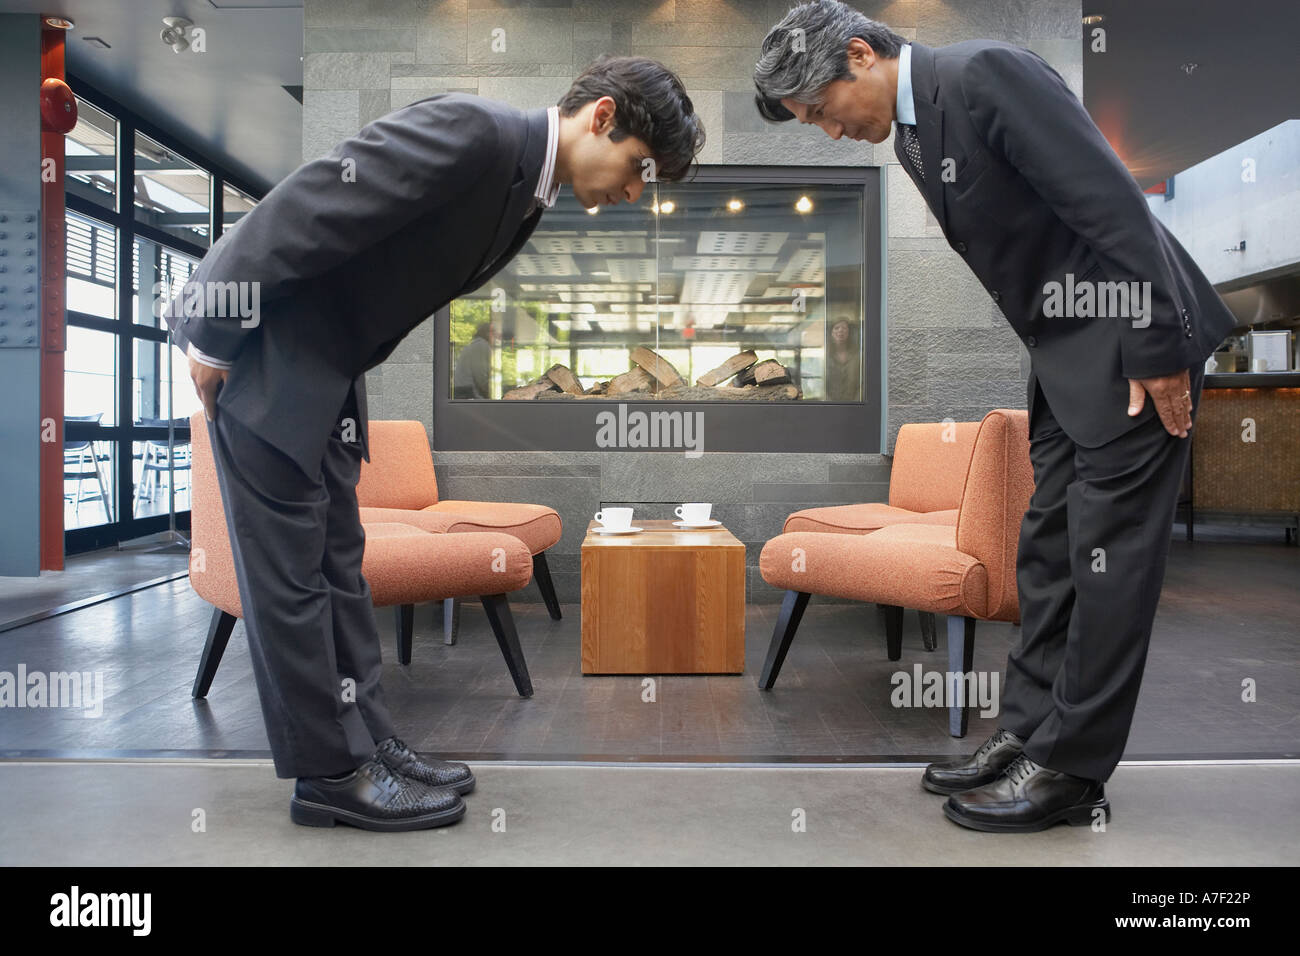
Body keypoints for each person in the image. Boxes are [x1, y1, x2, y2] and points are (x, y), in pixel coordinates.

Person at [165, 56, 704, 831]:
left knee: (335, 571)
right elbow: (305, 204)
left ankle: (372, 743)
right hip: (266, 361)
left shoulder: (526, 188)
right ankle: (327, 775)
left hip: (324, 377)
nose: (631, 192)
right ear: (603, 116)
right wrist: (213, 333)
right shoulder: (476, 133)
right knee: (290, 584)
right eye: (637, 169)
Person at [753, 1, 1235, 832]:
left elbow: (1111, 206)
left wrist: (1158, 348)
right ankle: (1026, 733)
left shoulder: (983, 76)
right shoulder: (911, 132)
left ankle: (1073, 768)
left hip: (1131, 352)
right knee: (1046, 553)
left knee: (1108, 569)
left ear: (860, 55)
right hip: (1066, 364)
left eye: (823, 112)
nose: (829, 133)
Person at [453, 321, 494, 399]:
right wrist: (492, 393)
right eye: (493, 332)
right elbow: (480, 376)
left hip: (464, 392)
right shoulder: (481, 345)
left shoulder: (475, 345)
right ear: (487, 333)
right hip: (469, 394)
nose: (496, 336)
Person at [824, 316, 861, 400]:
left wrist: (856, 403)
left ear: (849, 333)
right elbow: (820, 385)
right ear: (831, 333)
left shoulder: (857, 357)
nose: (840, 330)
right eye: (836, 328)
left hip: (854, 407)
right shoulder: (825, 356)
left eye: (844, 328)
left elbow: (862, 385)